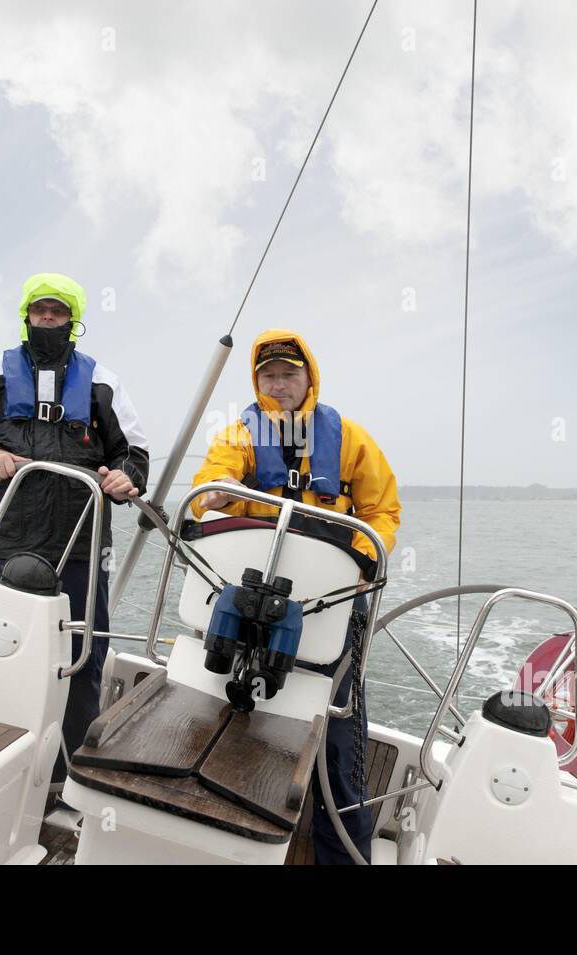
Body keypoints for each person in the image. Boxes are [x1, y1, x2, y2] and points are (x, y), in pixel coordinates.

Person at [0, 272, 149, 796]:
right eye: (39, 310)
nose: (47, 318)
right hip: (2, 542)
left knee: (81, 660)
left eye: (57, 311)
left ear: (73, 320)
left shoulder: (103, 382)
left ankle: (65, 777)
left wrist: (127, 477)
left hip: (80, 543)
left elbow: (133, 452)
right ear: (26, 315)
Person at [190, 328, 400, 864]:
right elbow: (211, 484)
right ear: (257, 381)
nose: (279, 384)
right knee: (218, 706)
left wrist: (363, 561)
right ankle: (212, 835)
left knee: (340, 736)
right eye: (269, 375)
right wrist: (213, 492)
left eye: (289, 373)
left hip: (330, 598)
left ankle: (343, 854)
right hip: (250, 590)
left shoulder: (350, 437)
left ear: (309, 376)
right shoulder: (239, 434)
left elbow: (382, 511)